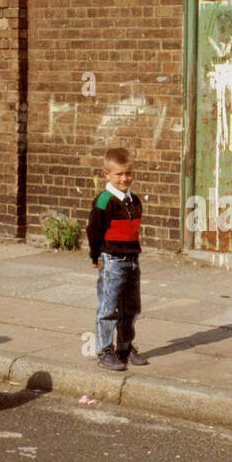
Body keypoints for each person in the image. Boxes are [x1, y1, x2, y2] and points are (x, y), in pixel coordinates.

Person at [86, 147, 146, 371]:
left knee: (131, 307)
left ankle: (125, 347)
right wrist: (95, 256)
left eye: (128, 173)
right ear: (106, 174)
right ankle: (104, 351)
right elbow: (93, 230)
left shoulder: (134, 200)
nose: (124, 178)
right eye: (119, 174)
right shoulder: (104, 201)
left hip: (131, 260)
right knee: (109, 308)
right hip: (112, 261)